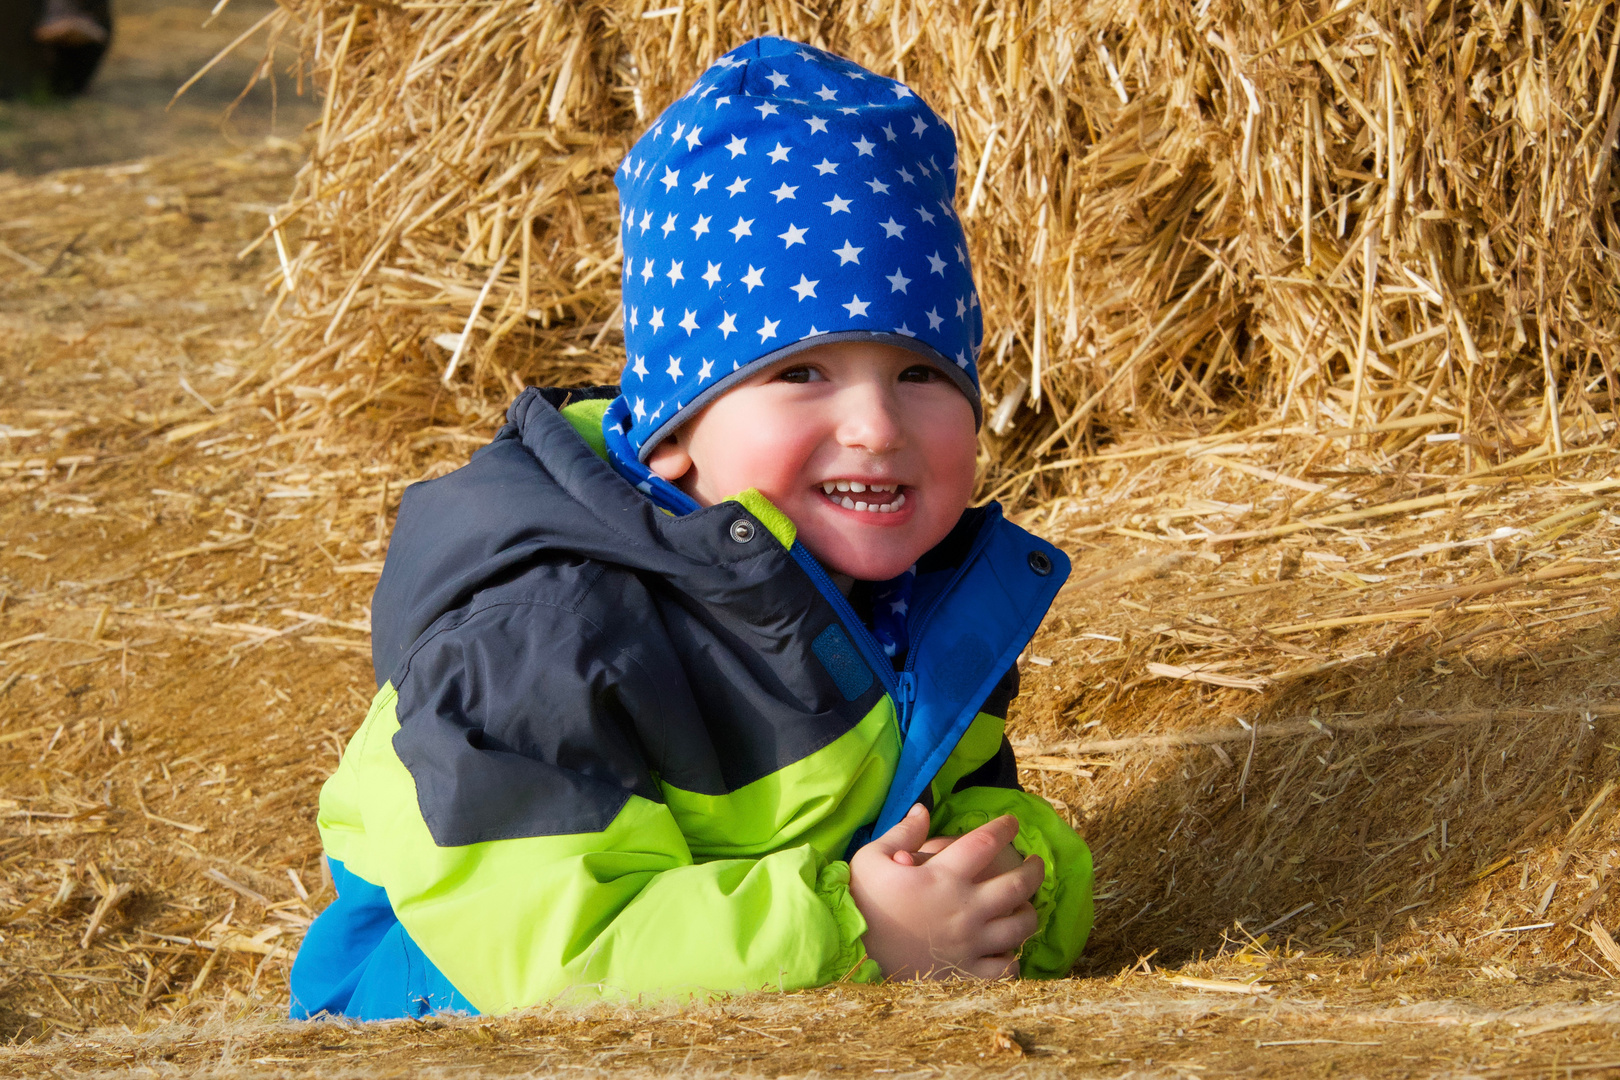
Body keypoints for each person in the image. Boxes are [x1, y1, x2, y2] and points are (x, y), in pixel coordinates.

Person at [288, 36, 1092, 1020]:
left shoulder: (919, 601)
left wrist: (1011, 891)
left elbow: (963, 809)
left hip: (761, 959)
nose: (877, 429)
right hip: (437, 1001)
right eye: (801, 373)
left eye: (921, 374)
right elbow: (558, 957)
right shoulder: (549, 637)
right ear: (675, 434)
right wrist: (863, 933)